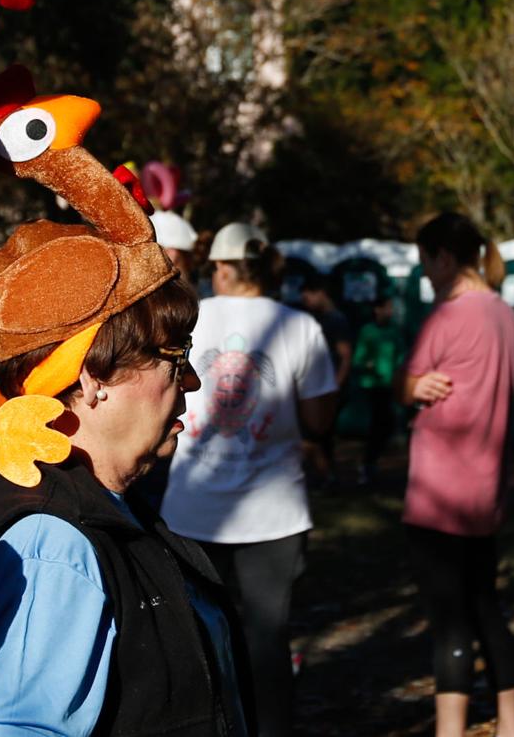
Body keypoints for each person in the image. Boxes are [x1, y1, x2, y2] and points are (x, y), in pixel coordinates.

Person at [0, 67, 249, 736]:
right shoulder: (52, 544)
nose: (189, 383)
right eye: (172, 358)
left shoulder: (107, 510)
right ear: (91, 378)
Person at [161, 221, 338, 737]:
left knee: (194, 639)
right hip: (275, 513)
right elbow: (321, 421)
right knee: (267, 641)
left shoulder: (187, 318)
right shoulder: (301, 326)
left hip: (192, 509)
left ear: (219, 266)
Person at [397, 211, 514, 737]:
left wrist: (412, 388)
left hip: (438, 492)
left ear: (443, 257)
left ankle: (450, 730)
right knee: (486, 607)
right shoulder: (506, 315)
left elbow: (407, 385)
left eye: (426, 262)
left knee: (449, 622)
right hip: (487, 490)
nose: (425, 275)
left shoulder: (447, 317)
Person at [299, 272, 353, 485]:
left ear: (321, 293)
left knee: (315, 437)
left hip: (329, 389)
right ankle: (325, 476)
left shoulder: (336, 319)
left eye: (308, 295)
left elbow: (345, 356)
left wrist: (335, 387)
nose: (305, 300)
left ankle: (327, 477)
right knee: (319, 437)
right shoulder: (314, 318)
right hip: (318, 388)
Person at [350, 295, 401, 485]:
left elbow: (401, 355)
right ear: (377, 310)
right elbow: (358, 359)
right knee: (380, 426)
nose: (390, 311)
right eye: (387, 307)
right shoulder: (367, 331)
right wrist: (369, 365)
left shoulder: (394, 331)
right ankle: (368, 465)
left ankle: (369, 463)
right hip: (373, 387)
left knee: (384, 426)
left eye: (391, 308)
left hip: (390, 385)